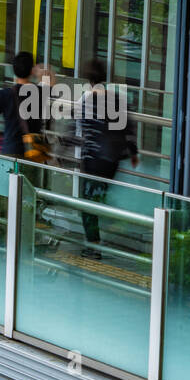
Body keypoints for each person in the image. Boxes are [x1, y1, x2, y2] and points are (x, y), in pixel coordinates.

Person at [75, 57, 138, 258]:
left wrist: (60, 150)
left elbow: (78, 129)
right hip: (112, 159)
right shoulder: (118, 99)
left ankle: (93, 246)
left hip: (93, 158)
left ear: (88, 78)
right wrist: (134, 152)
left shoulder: (85, 99)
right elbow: (128, 127)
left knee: (87, 202)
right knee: (99, 195)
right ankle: (107, 223)